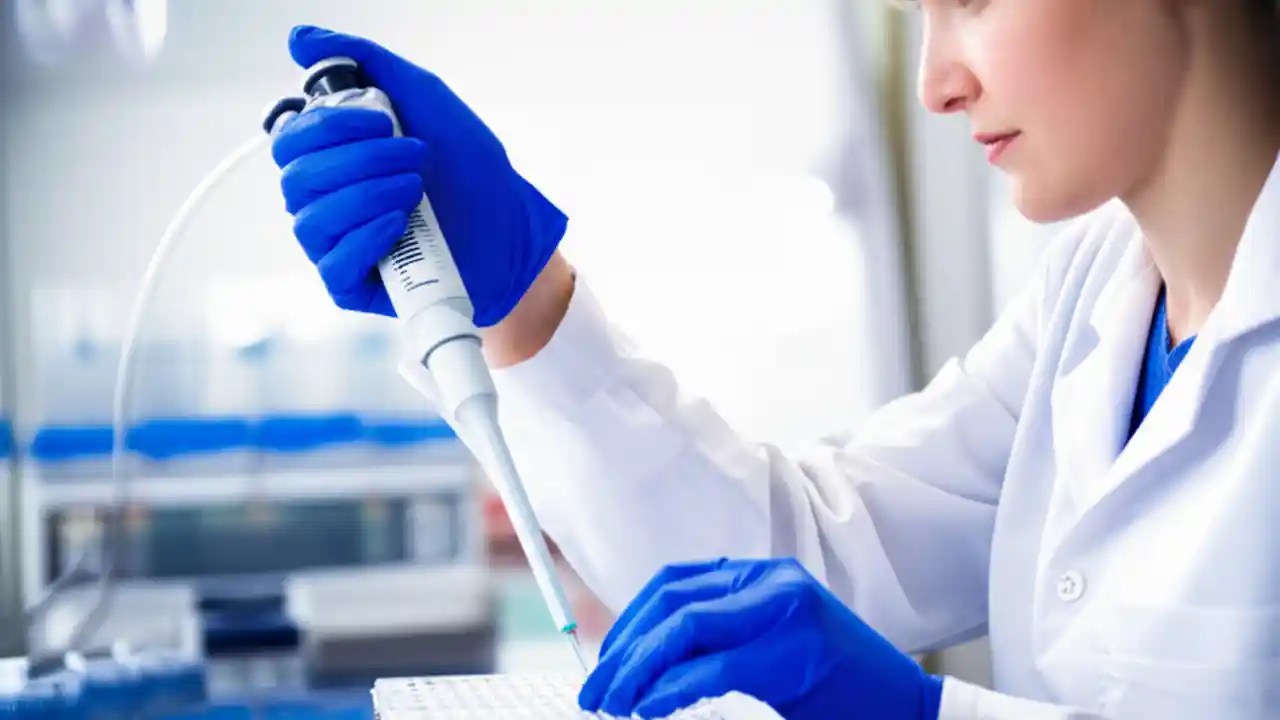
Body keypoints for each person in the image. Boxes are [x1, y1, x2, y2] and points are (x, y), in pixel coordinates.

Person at [269, 0, 1280, 716]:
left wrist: (924, 716)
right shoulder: (1090, 295)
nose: (936, 86)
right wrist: (518, 300)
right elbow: (799, 551)